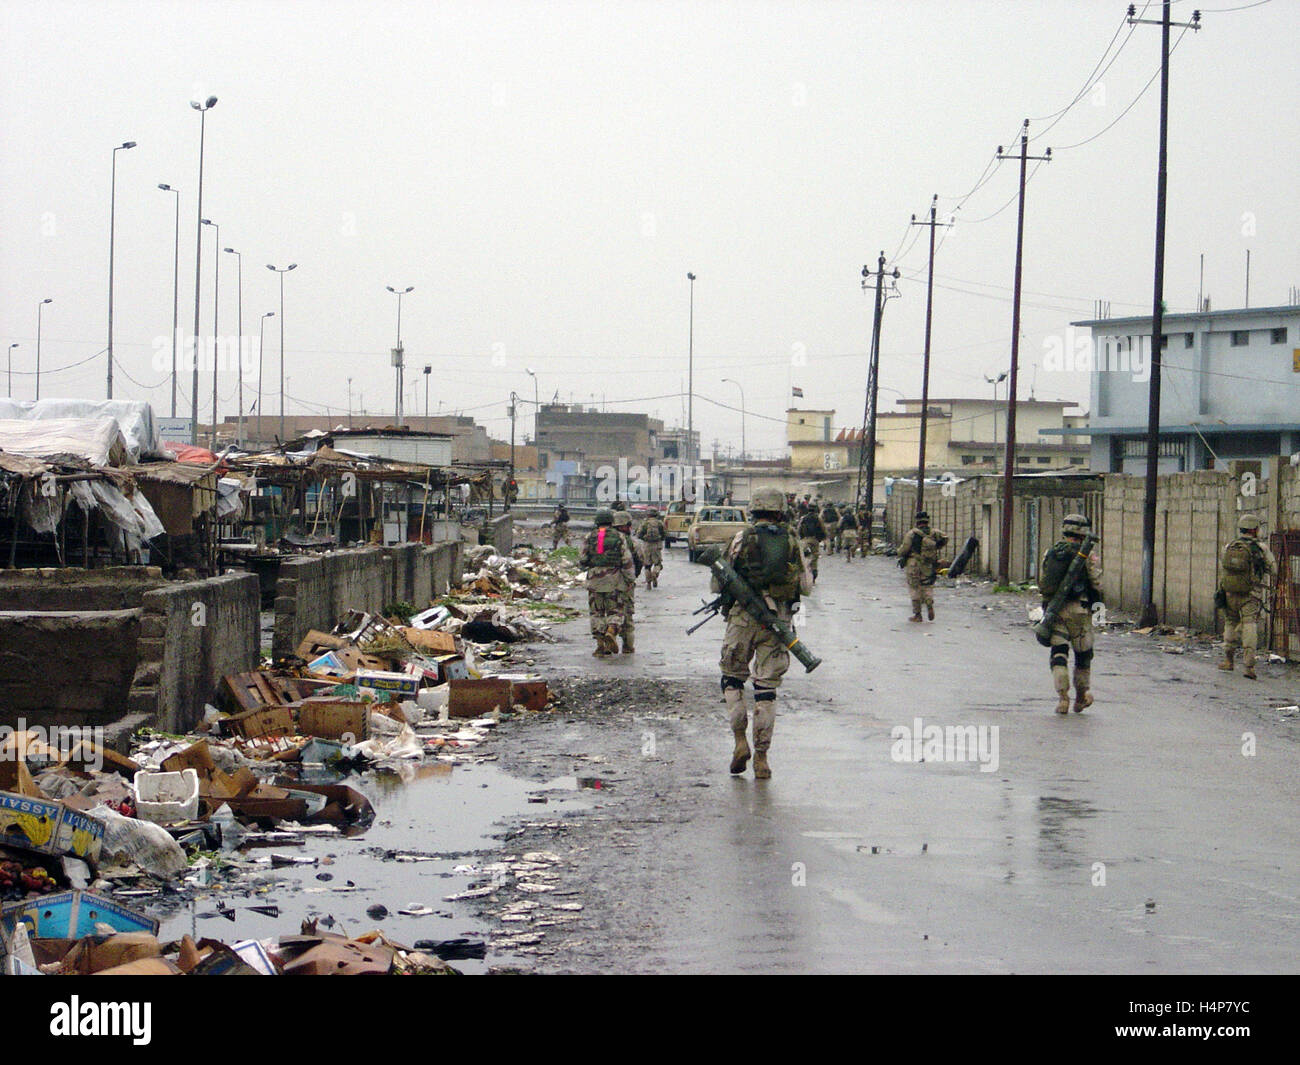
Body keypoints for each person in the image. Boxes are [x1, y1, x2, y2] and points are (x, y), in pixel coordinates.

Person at [717, 485, 814, 780]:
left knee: (732, 680)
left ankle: (739, 742)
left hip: (742, 619)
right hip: (778, 623)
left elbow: (718, 581)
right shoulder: (791, 540)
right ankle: (761, 758)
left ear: (753, 509)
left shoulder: (739, 538)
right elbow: (806, 587)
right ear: (780, 510)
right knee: (766, 691)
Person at [1038, 513, 1102, 714]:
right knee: (1083, 657)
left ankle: (1063, 699)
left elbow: (1043, 583)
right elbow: (1096, 584)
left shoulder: (1051, 553)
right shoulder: (1088, 556)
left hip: (1056, 612)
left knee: (1059, 655)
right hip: (1080, 612)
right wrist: (1099, 609)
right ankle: (1081, 698)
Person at [1217, 514, 1277, 680]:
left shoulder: (1229, 546)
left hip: (1229, 593)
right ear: (1254, 529)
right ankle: (1249, 667)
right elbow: (1274, 570)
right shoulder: (1260, 548)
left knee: (1230, 623)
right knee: (1249, 625)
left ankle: (1228, 661)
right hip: (1251, 594)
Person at [579, 508, 636, 656]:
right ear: (611, 521)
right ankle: (611, 630)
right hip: (614, 579)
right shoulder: (619, 537)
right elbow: (627, 560)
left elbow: (583, 559)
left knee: (596, 613)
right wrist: (630, 579)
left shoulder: (589, 536)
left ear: (597, 522)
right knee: (615, 610)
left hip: (594, 580)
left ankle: (600, 645)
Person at [898, 510, 948, 622]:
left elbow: (904, 549)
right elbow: (945, 537)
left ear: (917, 521)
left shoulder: (912, 533)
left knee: (914, 587)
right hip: (928, 564)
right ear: (927, 520)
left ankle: (918, 614)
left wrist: (899, 553)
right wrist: (938, 546)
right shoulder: (934, 532)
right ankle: (929, 604)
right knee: (927, 585)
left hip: (914, 563)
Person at [612, 509, 641, 652]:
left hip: (605, 582)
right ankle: (628, 646)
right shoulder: (630, 542)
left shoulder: (602, 539)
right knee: (627, 614)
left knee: (608, 612)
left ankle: (604, 642)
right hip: (625, 582)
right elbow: (638, 561)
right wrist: (632, 578)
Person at [796, 502, 827, 581]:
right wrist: (821, 539)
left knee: (804, 556)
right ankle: (814, 572)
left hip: (805, 539)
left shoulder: (803, 518)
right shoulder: (818, 518)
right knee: (815, 557)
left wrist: (800, 538)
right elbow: (823, 529)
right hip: (814, 540)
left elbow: (798, 529)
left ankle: (804, 572)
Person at [636, 509, 667, 589]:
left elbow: (639, 534)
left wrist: (644, 538)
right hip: (657, 545)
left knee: (647, 565)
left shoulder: (645, 523)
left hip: (647, 545)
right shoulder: (659, 523)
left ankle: (648, 583)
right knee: (658, 563)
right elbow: (664, 533)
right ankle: (655, 573)